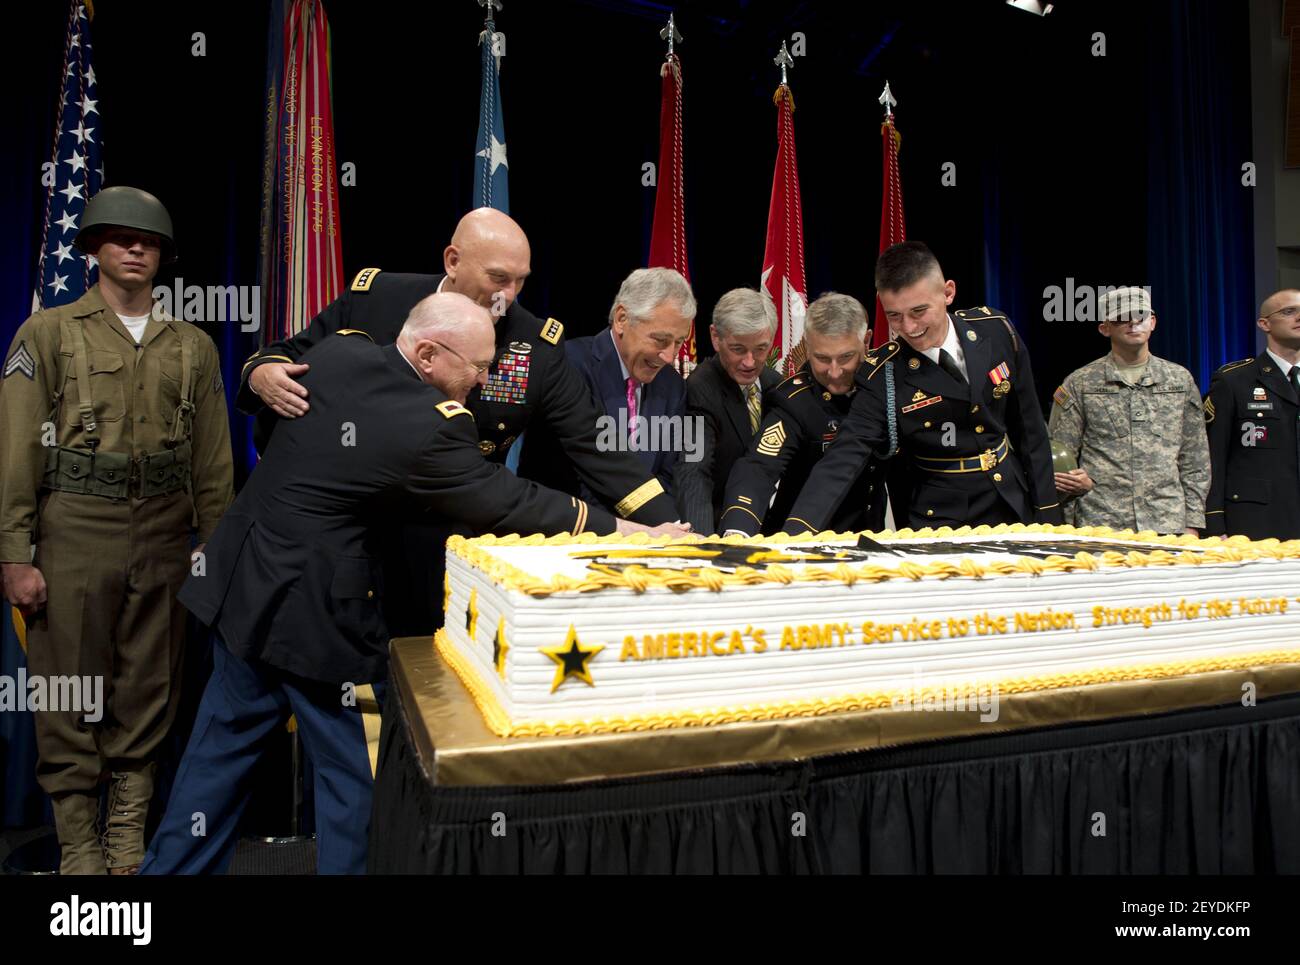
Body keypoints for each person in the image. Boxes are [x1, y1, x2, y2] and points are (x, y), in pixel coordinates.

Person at [140, 293, 678, 875]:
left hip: (244, 592)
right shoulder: (430, 425)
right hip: (317, 624)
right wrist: (626, 530)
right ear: (426, 354)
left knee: (215, 763)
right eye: (476, 367)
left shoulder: (339, 357)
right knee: (355, 782)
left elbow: (279, 431)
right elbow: (508, 501)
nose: (485, 379)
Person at [238, 208, 679, 634]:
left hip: (438, 531)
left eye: (521, 281)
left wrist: (674, 532)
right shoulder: (377, 298)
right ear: (453, 260)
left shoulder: (536, 344)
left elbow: (595, 446)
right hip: (345, 528)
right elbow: (292, 354)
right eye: (498, 278)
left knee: (419, 668)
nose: (508, 295)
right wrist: (260, 374)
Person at [0, 186, 233, 874]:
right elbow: (17, 450)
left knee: (149, 685)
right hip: (74, 524)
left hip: (164, 530)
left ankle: (127, 833)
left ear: (162, 255)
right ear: (95, 248)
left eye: (149, 241)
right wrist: (15, 551)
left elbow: (212, 460)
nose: (136, 248)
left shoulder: (190, 344)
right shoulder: (45, 334)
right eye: (121, 237)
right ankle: (78, 842)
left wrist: (212, 548)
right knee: (68, 685)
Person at [778, 241, 1062, 533]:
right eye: (894, 316)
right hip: (939, 518)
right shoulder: (884, 373)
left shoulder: (997, 330)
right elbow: (845, 455)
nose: (909, 327)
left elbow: (1030, 432)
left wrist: (1049, 516)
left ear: (948, 292)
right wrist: (797, 532)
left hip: (1012, 503)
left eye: (918, 311)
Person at [718, 293, 892, 536]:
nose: (834, 371)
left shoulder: (884, 387)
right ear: (807, 347)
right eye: (822, 358)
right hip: (796, 542)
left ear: (867, 340)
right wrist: (738, 531)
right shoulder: (794, 402)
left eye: (846, 357)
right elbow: (758, 467)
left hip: (868, 541)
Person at [521, 268, 694, 506]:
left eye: (678, 342)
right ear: (622, 319)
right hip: (568, 527)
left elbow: (667, 474)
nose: (668, 356)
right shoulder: (569, 365)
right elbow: (570, 474)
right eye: (660, 340)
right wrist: (629, 529)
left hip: (646, 532)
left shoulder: (673, 384)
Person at [1048, 286, 1209, 534]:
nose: (1133, 323)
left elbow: (1195, 457)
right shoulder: (1082, 382)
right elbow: (1060, 454)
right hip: (1101, 520)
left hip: (1167, 519)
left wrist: (1193, 522)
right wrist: (1069, 511)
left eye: (1140, 316)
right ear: (1105, 328)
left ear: (1152, 322)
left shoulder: (1178, 380)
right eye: (1122, 318)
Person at [675, 288, 780, 535]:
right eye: (738, 349)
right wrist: (702, 543)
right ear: (715, 337)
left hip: (773, 533)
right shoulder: (700, 389)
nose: (750, 362)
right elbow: (693, 473)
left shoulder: (776, 383)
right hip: (719, 532)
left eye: (761, 349)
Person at [1203, 288, 1300, 541]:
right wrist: (1214, 523)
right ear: (1264, 323)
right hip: (1255, 522)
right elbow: (1213, 456)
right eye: (1289, 311)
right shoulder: (1234, 380)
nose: (1299, 317)